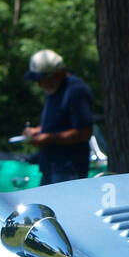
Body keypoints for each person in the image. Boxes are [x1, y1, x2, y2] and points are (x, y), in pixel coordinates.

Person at [22, 49, 94, 186]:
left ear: (57, 74)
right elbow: (58, 124)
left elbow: (84, 132)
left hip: (68, 170)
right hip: (50, 167)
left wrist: (48, 138)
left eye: (41, 79)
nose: (39, 84)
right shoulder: (53, 89)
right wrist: (37, 131)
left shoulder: (76, 90)